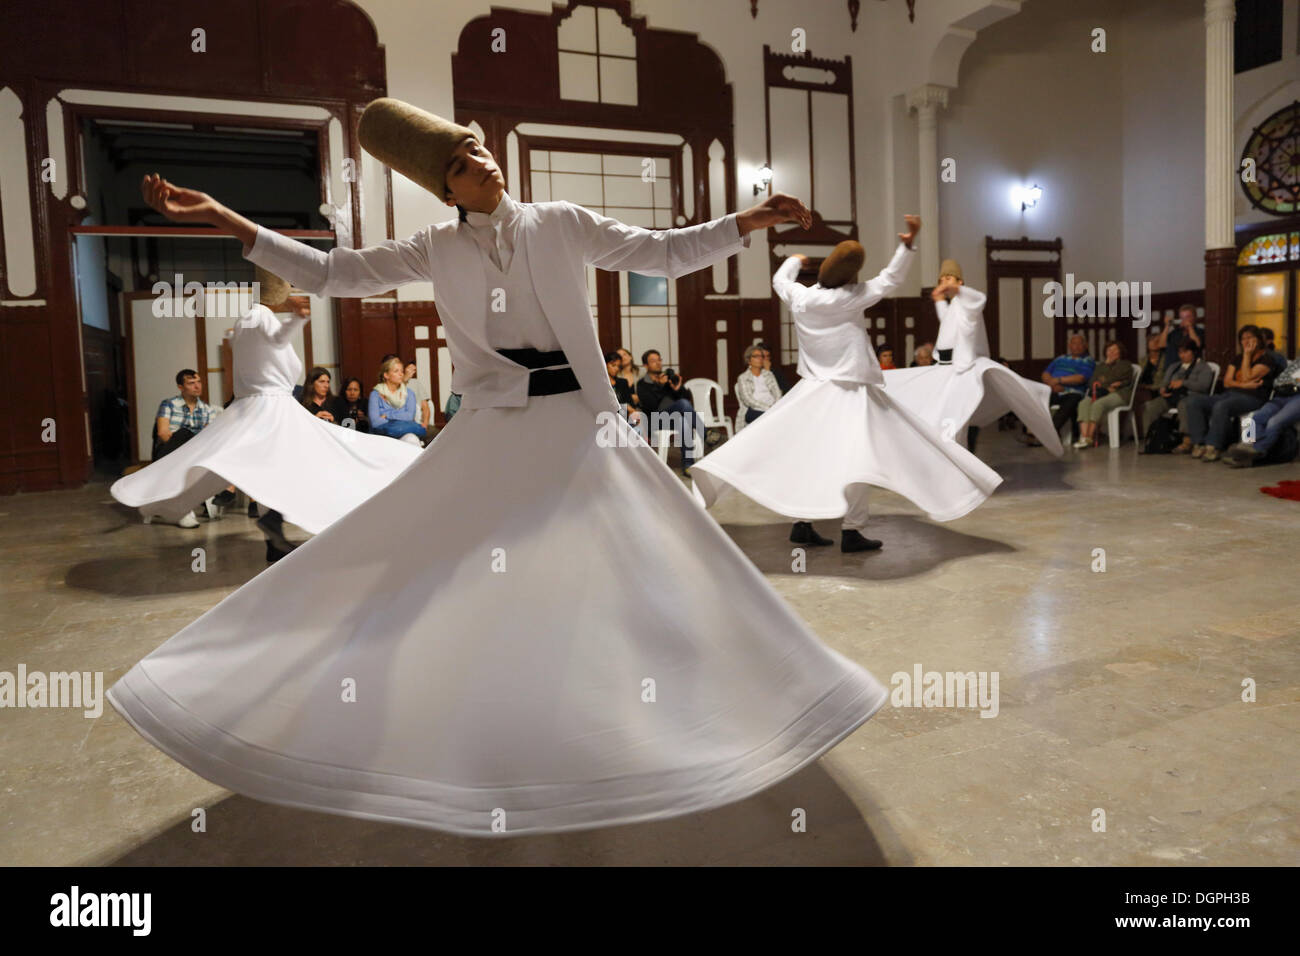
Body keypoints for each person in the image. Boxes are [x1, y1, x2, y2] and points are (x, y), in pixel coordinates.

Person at [111, 99, 889, 838]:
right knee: (416, 563)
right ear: (443, 187)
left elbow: (662, 251)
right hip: (489, 431)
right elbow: (334, 274)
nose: (483, 161)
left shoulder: (560, 223)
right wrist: (225, 220)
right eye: (462, 160)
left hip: (587, 428)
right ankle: (447, 723)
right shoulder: (436, 248)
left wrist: (746, 222)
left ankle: (726, 710)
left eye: (479, 147)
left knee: (669, 553)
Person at [692, 223, 1003, 552]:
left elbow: (779, 281)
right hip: (851, 394)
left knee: (812, 457)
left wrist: (794, 261)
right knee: (858, 460)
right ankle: (852, 531)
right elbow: (890, 279)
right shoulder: (850, 297)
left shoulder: (802, 296)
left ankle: (803, 523)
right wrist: (907, 246)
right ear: (850, 278)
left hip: (811, 393)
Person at [110, 268, 420, 561]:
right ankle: (273, 521)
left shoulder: (247, 319)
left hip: (256, 404)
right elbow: (276, 341)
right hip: (270, 405)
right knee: (321, 456)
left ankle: (272, 526)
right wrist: (298, 320)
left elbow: (262, 349)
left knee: (274, 464)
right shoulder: (260, 317)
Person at [883, 259, 1063, 456]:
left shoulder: (969, 304)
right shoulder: (955, 306)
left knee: (961, 414)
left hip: (962, 368)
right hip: (945, 367)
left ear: (960, 282)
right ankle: (955, 456)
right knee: (946, 411)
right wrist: (939, 301)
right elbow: (947, 321)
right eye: (941, 279)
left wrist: (952, 288)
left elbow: (980, 298)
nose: (944, 282)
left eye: (949, 278)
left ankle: (964, 456)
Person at [1184, 324, 1278, 461]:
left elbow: (1247, 375)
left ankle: (1213, 446)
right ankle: (1199, 443)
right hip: (1230, 394)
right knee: (1194, 402)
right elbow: (1227, 382)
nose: (1246, 341)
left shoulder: (1267, 359)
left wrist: (1247, 355)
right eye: (1243, 339)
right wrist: (1245, 385)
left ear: (1258, 339)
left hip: (1254, 398)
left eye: (1250, 337)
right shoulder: (1237, 359)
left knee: (1221, 405)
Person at [1223, 355, 1300, 466]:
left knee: (1274, 422)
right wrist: (1295, 382)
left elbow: (1288, 381)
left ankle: (1256, 450)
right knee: (1257, 417)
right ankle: (1247, 450)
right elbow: (1278, 381)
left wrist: (1293, 381)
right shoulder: (1298, 362)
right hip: (1283, 395)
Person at [636, 349, 700, 474]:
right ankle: (705, 432)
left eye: (659, 360)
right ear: (646, 365)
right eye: (653, 361)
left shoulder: (669, 380)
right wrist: (660, 386)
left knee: (683, 419)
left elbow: (687, 402)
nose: (658, 363)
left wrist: (677, 389)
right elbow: (652, 406)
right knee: (682, 405)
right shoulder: (642, 384)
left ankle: (688, 464)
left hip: (673, 419)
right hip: (654, 421)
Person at [1142, 342, 1213, 447]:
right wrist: (1162, 389)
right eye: (1180, 352)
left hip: (1192, 396)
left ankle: (1187, 440)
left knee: (1184, 405)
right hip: (1172, 396)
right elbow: (1164, 382)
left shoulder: (1203, 367)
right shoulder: (1174, 366)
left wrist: (1183, 383)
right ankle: (1150, 437)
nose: (1182, 355)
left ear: (1193, 352)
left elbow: (1204, 386)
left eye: (1185, 352)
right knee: (1150, 406)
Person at [1073, 341, 1135, 449]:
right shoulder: (1101, 365)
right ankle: (1084, 436)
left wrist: (1103, 381)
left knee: (1098, 404)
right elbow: (1092, 382)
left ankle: (1089, 437)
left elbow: (1112, 378)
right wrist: (1106, 383)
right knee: (1084, 403)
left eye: (1115, 350)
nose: (1111, 353)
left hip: (1120, 394)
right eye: (1109, 350)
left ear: (1120, 352)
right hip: (1102, 392)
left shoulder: (1125, 364)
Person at [1042, 334, 1095, 444]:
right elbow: (1045, 374)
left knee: (1072, 400)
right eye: (1073, 343)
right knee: (1038, 398)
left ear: (1085, 346)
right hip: (1054, 389)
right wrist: (1053, 384)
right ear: (1069, 345)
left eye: (1080, 343)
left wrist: (1059, 380)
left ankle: (1052, 431)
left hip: (1074, 392)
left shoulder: (1087, 361)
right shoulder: (1060, 359)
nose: (1076, 346)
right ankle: (1032, 432)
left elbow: (1080, 378)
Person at [369, 356, 426, 444]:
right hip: (382, 437)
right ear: (386, 375)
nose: (401, 374)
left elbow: (409, 417)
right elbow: (375, 422)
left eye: (402, 371)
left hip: (403, 433)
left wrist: (387, 415)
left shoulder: (409, 393)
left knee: (411, 439)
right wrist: (400, 417)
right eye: (396, 371)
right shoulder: (375, 394)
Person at [735, 344, 782, 423]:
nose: (760, 359)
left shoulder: (768, 374)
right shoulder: (743, 377)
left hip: (773, 406)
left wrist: (775, 406)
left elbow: (777, 392)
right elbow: (748, 400)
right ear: (749, 360)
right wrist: (768, 408)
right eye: (756, 356)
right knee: (769, 418)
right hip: (754, 409)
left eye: (761, 356)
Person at [1152, 304, 1203, 372]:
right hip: (1170, 369)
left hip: (1189, 369)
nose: (1184, 320)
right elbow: (1161, 345)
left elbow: (1197, 345)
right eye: (1182, 317)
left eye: (1187, 317)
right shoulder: (1175, 333)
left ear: (1194, 317)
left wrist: (1190, 327)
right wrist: (1167, 326)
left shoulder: (1199, 331)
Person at [403, 360, 433, 432]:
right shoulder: (394, 385)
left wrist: (425, 424)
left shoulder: (416, 383)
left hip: (417, 419)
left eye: (414, 370)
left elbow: (425, 406)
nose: (412, 371)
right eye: (410, 368)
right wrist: (404, 379)